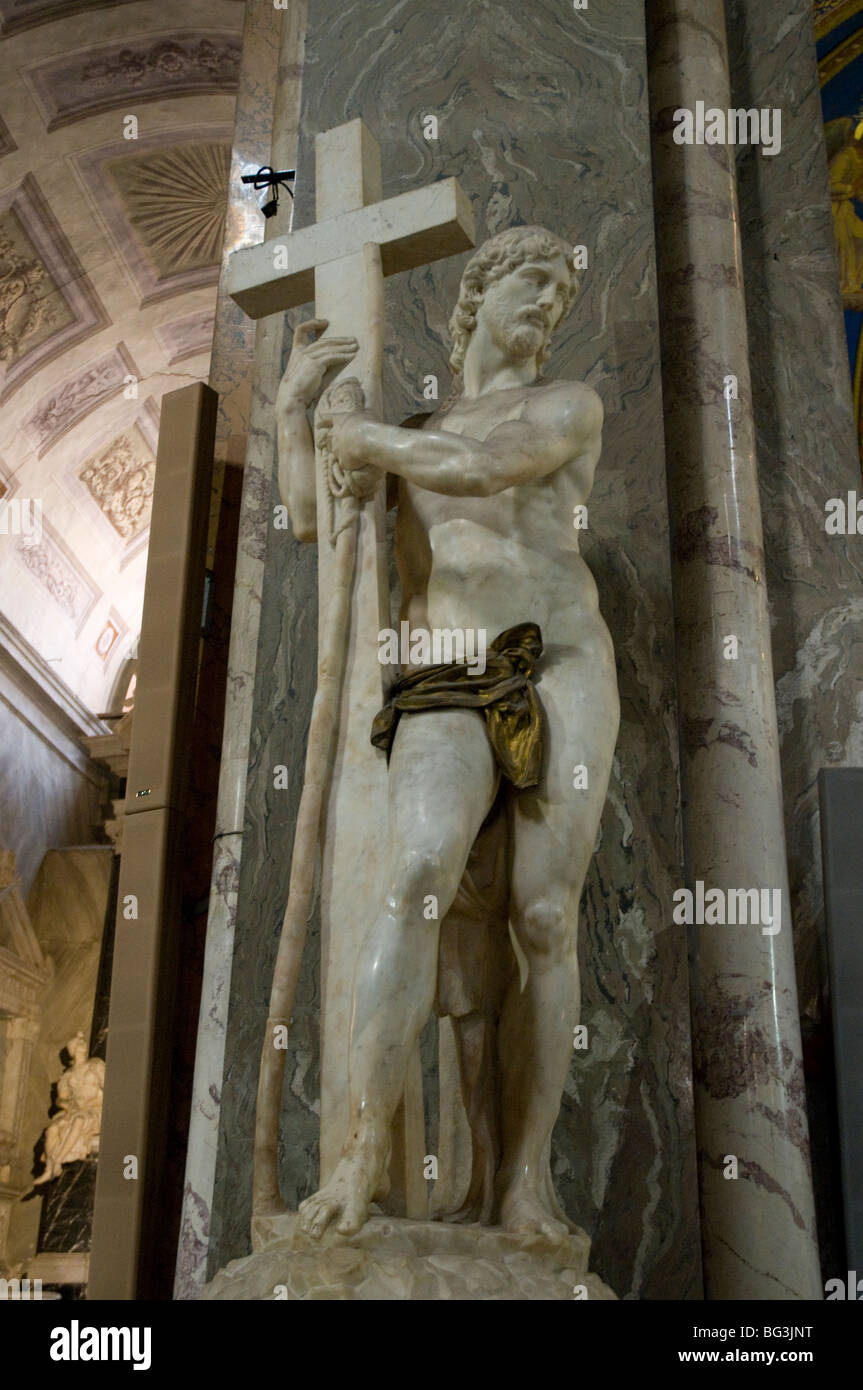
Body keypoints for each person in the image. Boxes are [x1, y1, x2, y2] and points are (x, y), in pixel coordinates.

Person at [276, 226, 619, 1239]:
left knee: (543, 918)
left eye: (562, 287)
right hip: (444, 673)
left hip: (559, 664)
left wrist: (369, 442)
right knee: (416, 868)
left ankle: (521, 1184)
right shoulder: (413, 424)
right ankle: (357, 1161)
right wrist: (300, 409)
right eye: (531, 278)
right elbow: (314, 516)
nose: (549, 300)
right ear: (474, 298)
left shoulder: (564, 406)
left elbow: (478, 468)